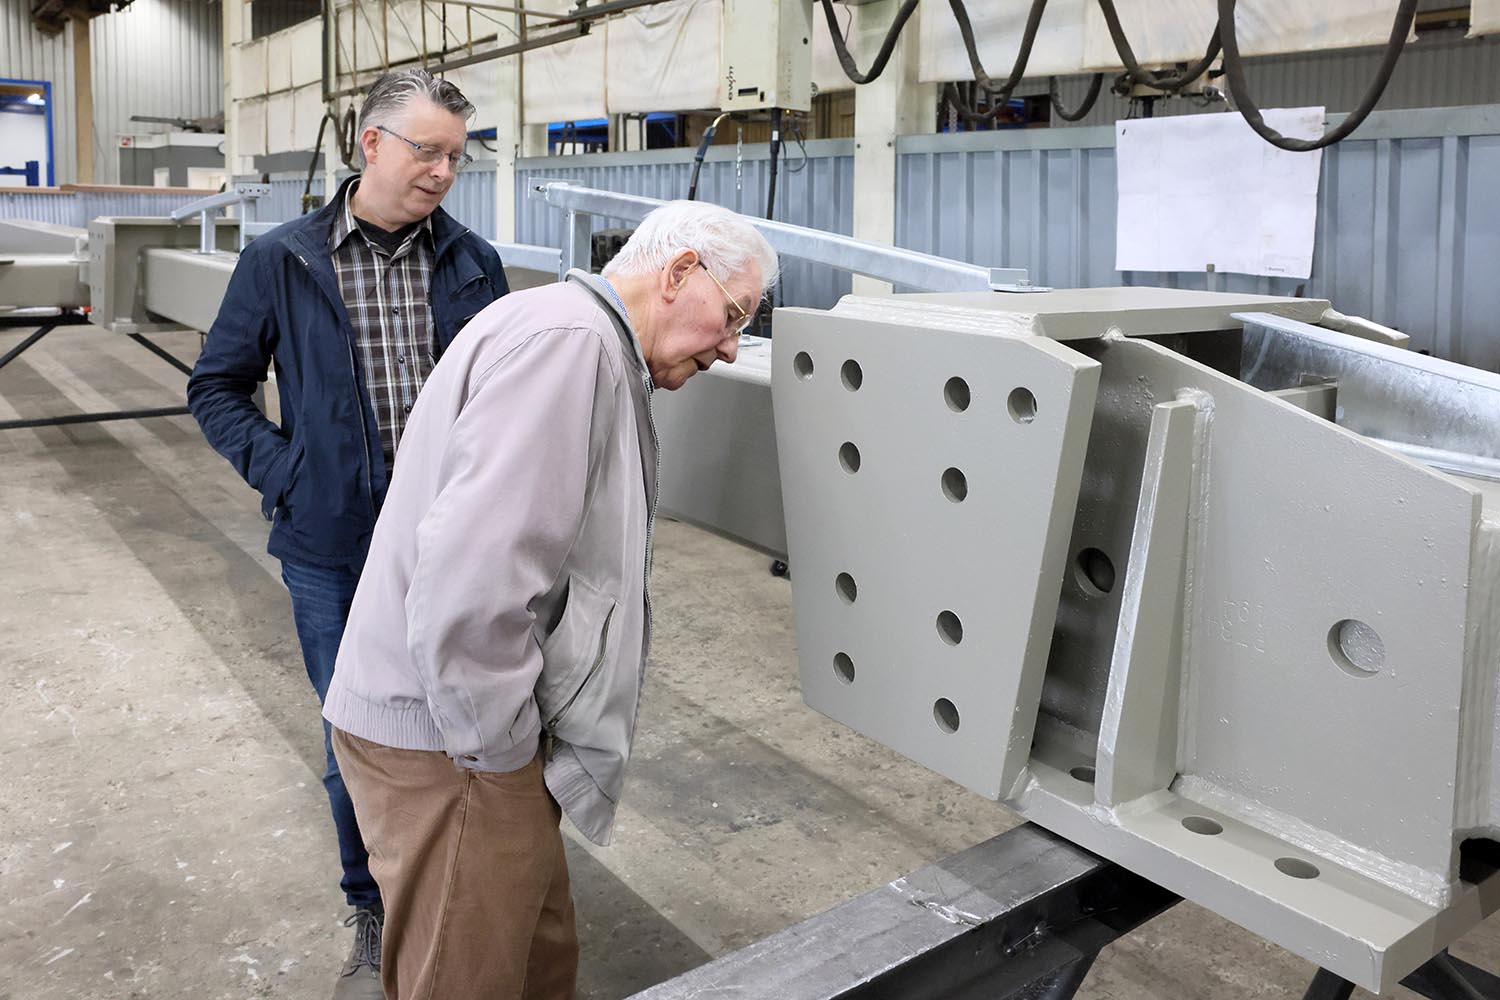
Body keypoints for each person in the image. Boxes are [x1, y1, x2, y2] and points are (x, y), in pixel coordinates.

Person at [321, 200, 779, 999]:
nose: (733, 346)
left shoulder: (571, 332)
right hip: (452, 743)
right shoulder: (571, 346)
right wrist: (499, 756)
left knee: (536, 960)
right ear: (678, 273)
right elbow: (473, 586)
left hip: (470, 735)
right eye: (733, 314)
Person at [186, 68, 507, 999]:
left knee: (468, 724)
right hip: (332, 549)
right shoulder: (282, 260)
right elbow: (216, 386)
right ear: (371, 145)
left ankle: (458, 893)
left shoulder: (473, 261)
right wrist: (289, 473)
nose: (444, 172)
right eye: (428, 151)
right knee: (353, 738)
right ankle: (372, 907)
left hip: (454, 543)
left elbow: (501, 394)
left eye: (456, 157)